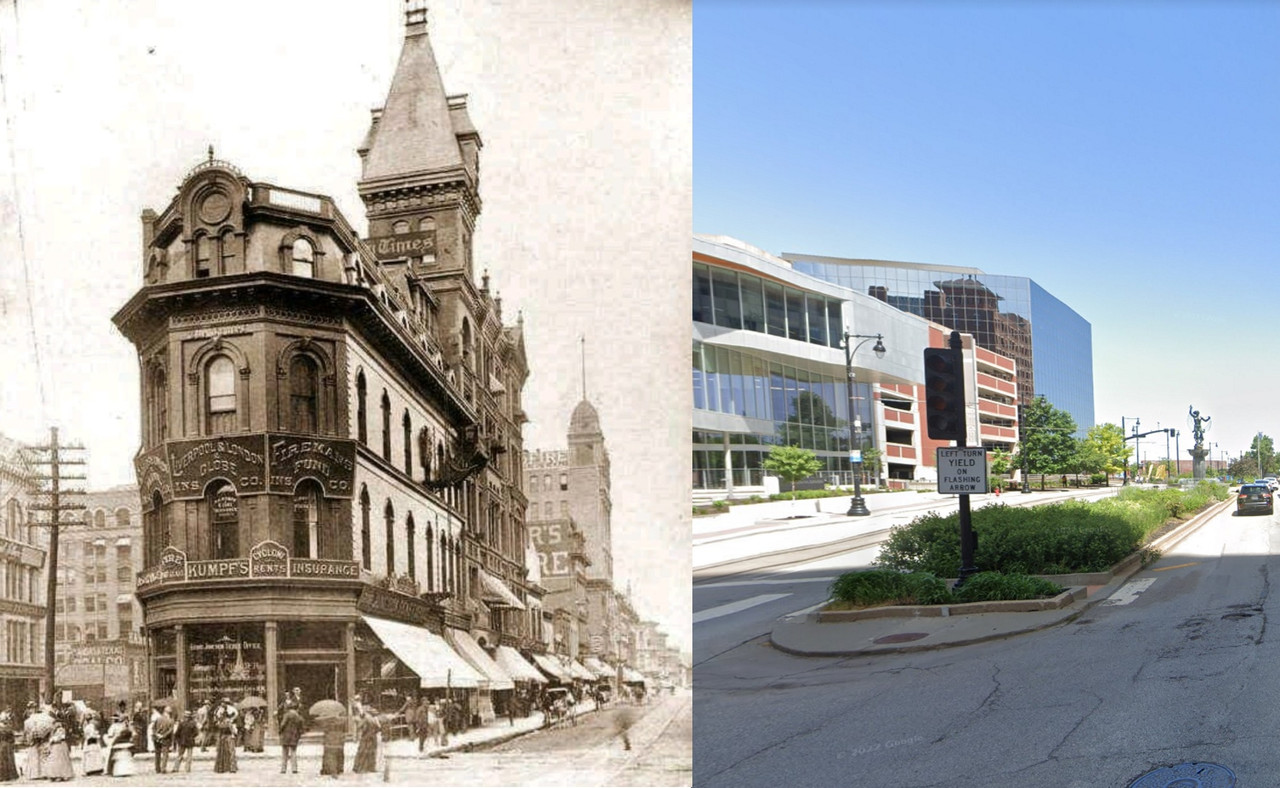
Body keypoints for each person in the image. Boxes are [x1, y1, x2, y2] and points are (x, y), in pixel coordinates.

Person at [278, 702, 304, 775]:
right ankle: (294, 769)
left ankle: (283, 769)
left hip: (286, 735)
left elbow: (282, 724)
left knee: (284, 753)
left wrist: (280, 731)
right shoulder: (298, 716)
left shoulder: (287, 715)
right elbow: (301, 726)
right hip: (294, 735)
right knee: (293, 752)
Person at [212, 700, 238, 774]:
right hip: (226, 736)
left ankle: (226, 767)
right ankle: (230, 767)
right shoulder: (226, 722)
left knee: (226, 752)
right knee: (228, 751)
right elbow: (233, 731)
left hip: (225, 736)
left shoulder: (223, 722)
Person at [352, 706, 380, 773]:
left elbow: (360, 727)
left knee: (362, 752)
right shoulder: (374, 719)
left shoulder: (366, 718)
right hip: (373, 737)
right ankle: (371, 768)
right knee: (372, 753)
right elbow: (378, 728)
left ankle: (359, 768)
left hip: (366, 737)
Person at [152, 705, 175, 774]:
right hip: (165, 739)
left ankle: (157, 768)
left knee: (157, 754)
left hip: (156, 739)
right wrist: (163, 736)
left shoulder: (158, 719)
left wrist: (156, 734)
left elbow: (153, 728)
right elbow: (170, 731)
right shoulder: (171, 721)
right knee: (165, 754)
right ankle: (163, 768)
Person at [0, 711, 18, 782]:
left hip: (3, 745)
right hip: (7, 745)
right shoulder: (9, 727)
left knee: (3, 760)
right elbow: (12, 738)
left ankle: (3, 776)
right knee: (7, 760)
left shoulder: (7, 727)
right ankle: (9, 775)